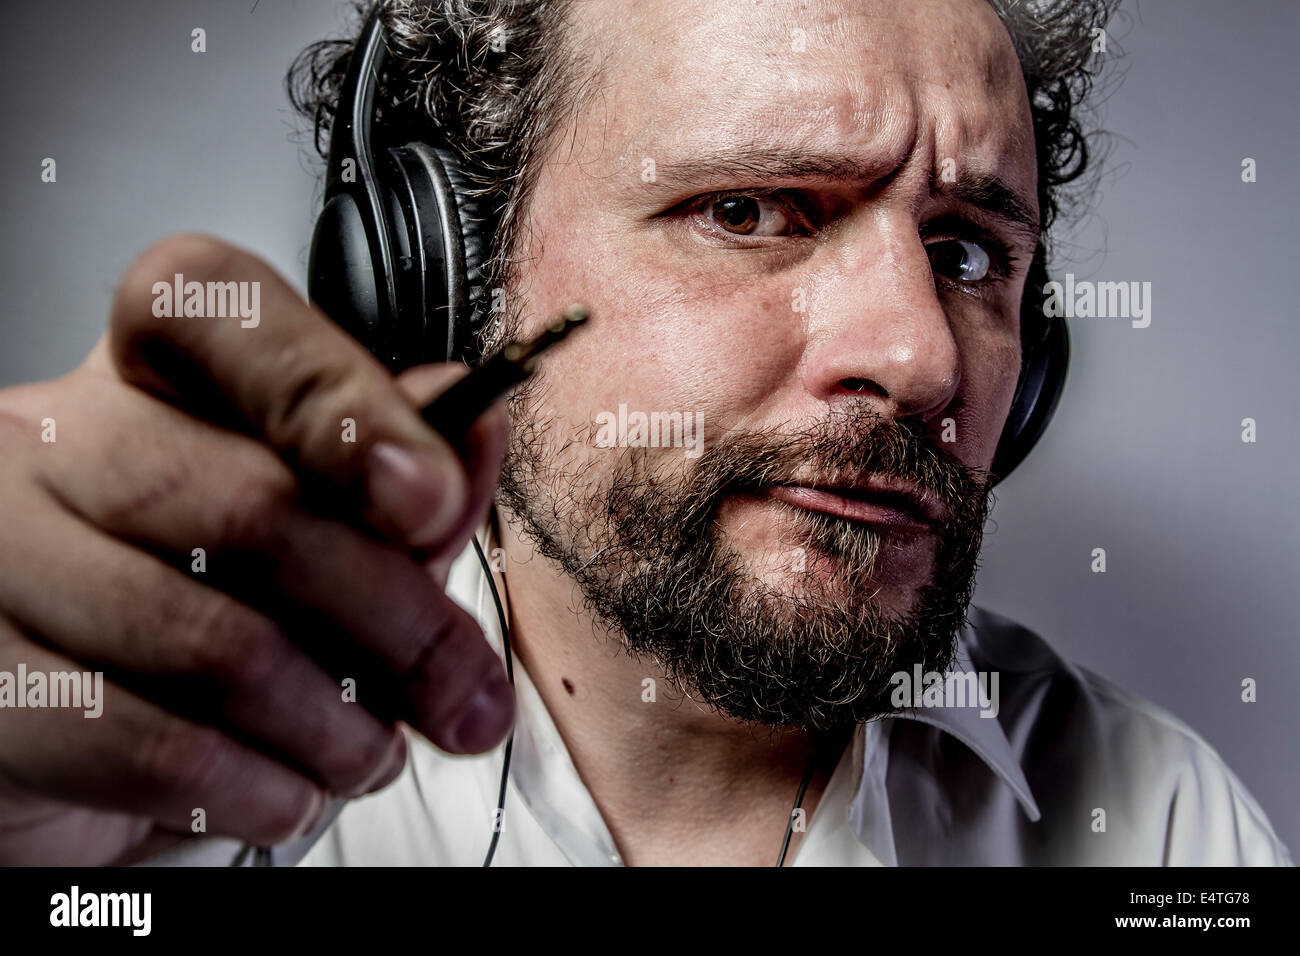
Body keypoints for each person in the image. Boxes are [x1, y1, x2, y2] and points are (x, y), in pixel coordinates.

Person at [0, 0, 1288, 866]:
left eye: (966, 250)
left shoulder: (1165, 827)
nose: (922, 355)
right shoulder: (161, 777)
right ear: (453, 278)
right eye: (749, 210)